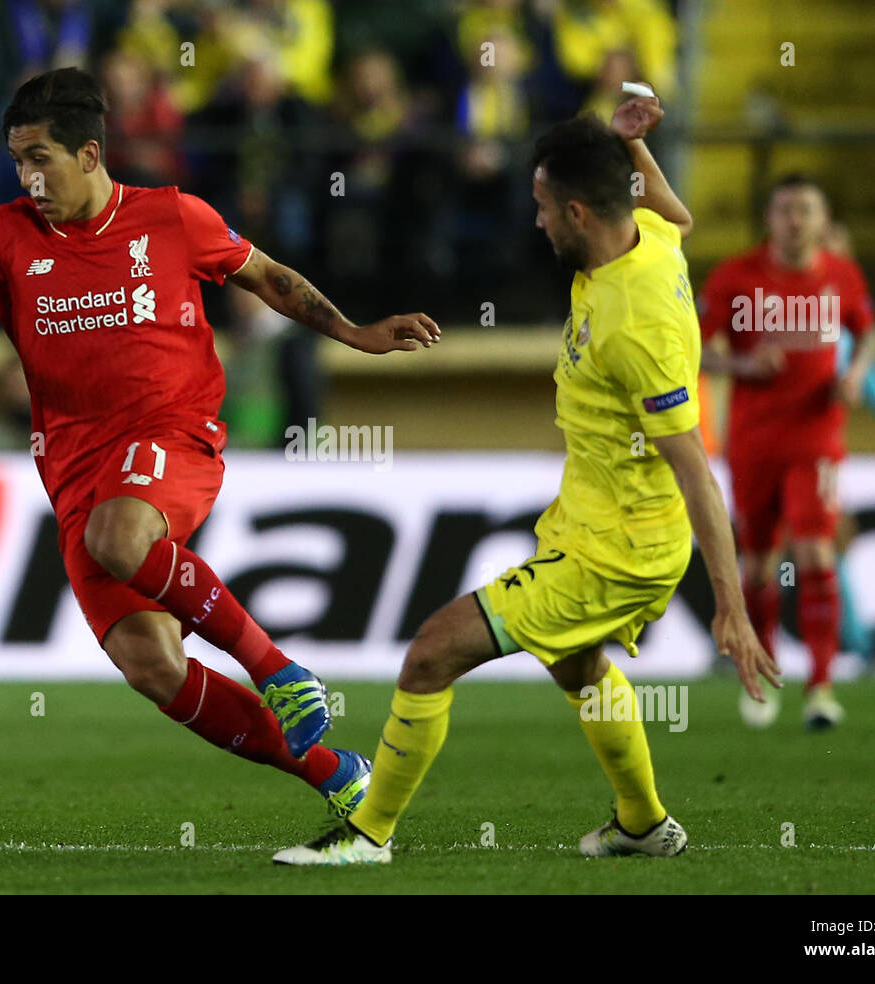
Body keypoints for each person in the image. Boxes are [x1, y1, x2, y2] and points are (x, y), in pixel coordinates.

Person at [0, 67, 440, 820]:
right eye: (17, 161)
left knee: (120, 533)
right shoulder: (1, 236)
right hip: (74, 470)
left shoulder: (174, 218)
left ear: (91, 156)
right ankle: (336, 774)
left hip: (174, 434)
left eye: (40, 158)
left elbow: (268, 278)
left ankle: (278, 669)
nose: (27, 177)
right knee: (152, 665)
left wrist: (356, 333)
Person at [274, 94, 778, 865]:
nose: (537, 222)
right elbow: (677, 216)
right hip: (591, 518)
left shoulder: (635, 323)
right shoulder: (648, 240)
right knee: (577, 664)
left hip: (621, 545)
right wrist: (629, 145)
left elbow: (698, 474)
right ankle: (642, 826)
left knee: (431, 653)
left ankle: (367, 832)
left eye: (544, 208)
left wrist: (732, 611)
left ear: (578, 212)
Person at [697, 175, 875, 730]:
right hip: (753, 443)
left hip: (817, 439)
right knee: (755, 561)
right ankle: (762, 676)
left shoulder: (841, 274)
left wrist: (853, 375)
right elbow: (697, 351)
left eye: (805, 209)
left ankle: (822, 687)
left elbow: (867, 332)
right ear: (769, 219)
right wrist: (742, 365)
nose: (795, 220)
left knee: (817, 552)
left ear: (823, 220)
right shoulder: (736, 276)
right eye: (784, 210)